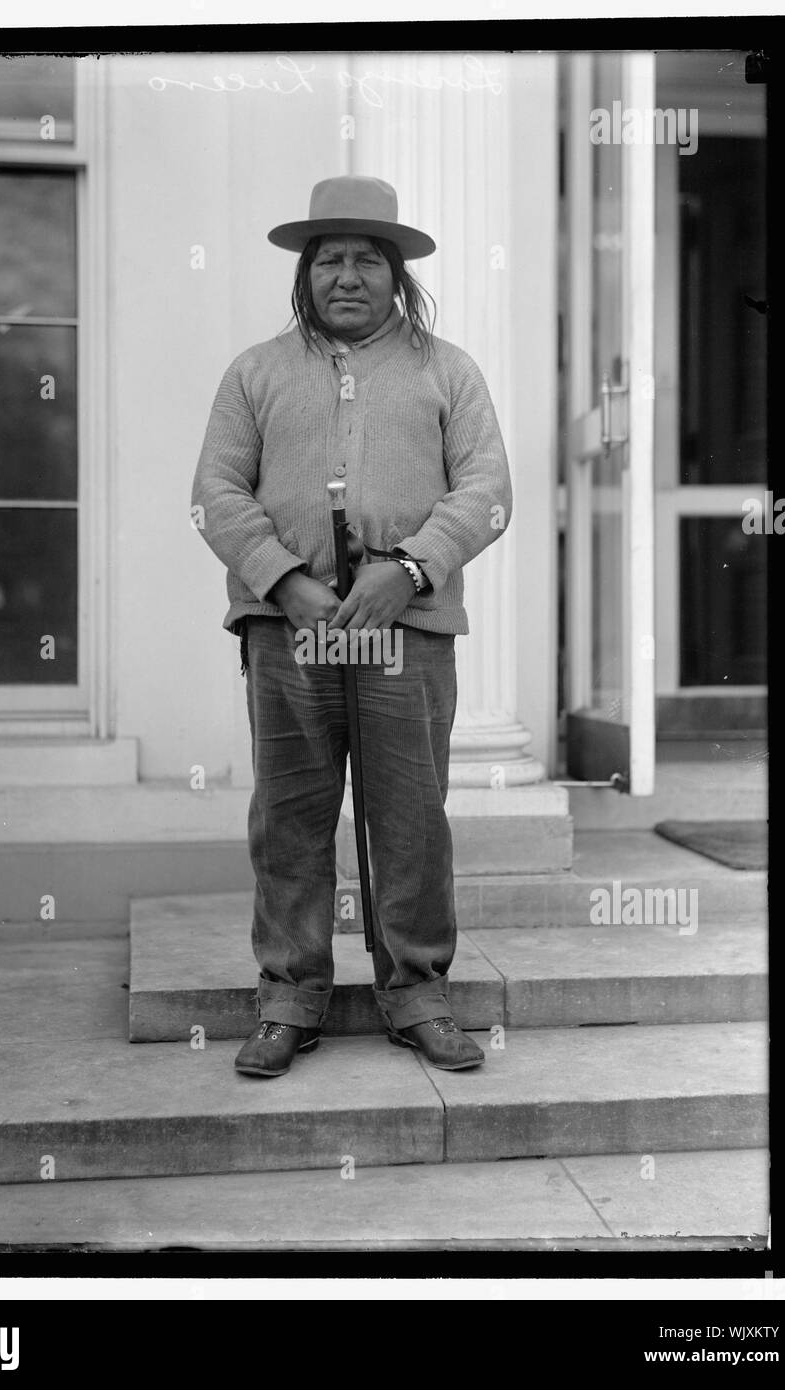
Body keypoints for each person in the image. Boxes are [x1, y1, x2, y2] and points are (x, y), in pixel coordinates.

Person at [192, 175, 513, 1077]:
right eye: (328, 258)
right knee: (289, 816)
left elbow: (487, 493)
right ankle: (290, 999)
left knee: (408, 816)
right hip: (290, 630)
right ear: (304, 273)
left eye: (366, 258)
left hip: (403, 630)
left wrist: (408, 569)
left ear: (397, 273)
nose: (346, 275)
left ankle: (416, 995)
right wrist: (284, 580)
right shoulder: (255, 373)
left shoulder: (447, 371)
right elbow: (214, 493)